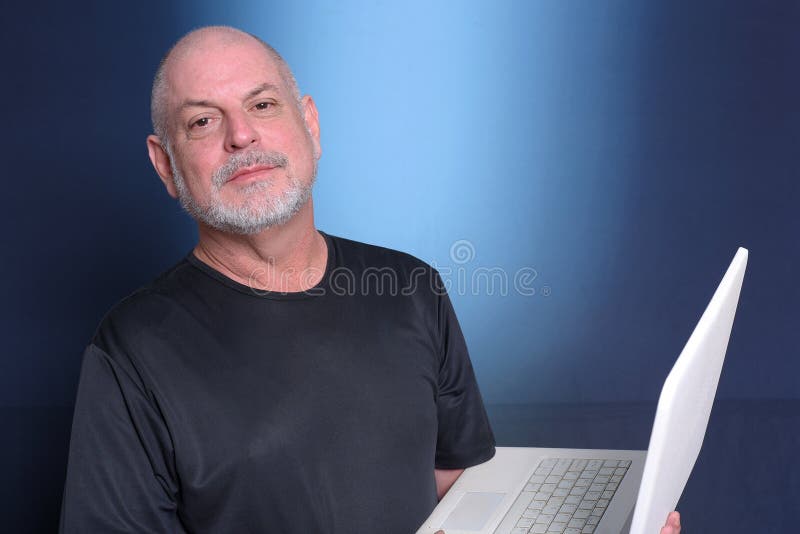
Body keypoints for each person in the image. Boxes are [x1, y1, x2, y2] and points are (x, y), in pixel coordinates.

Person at [59, 26, 680, 534]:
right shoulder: (131, 351)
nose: (241, 135)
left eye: (263, 105)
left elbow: (455, 485)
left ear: (310, 125)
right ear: (166, 165)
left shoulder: (410, 289)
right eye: (201, 122)